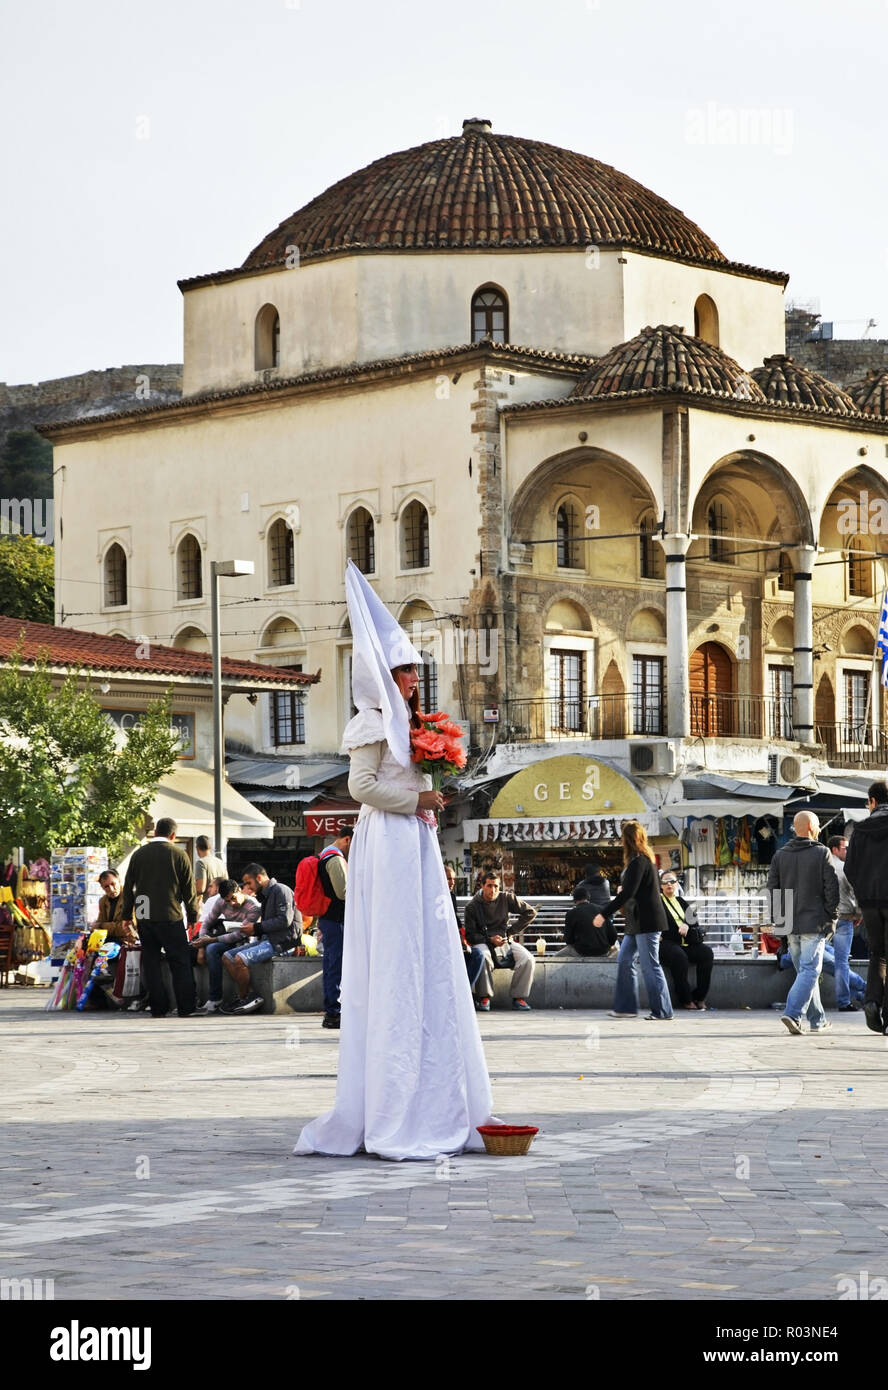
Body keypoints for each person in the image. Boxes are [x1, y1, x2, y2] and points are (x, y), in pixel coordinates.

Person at [294, 559, 493, 1159]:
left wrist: (430, 795)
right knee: (396, 947)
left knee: (426, 944)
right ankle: (391, 1103)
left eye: (413, 669)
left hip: (417, 836)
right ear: (385, 673)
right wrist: (416, 799)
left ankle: (436, 1090)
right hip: (391, 834)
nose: (412, 678)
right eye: (404, 669)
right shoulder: (373, 722)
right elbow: (359, 788)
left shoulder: (411, 719)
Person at [766, 810, 838, 1035]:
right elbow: (832, 890)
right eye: (817, 826)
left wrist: (778, 923)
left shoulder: (780, 855)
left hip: (789, 924)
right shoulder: (822, 853)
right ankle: (793, 1013)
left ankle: (817, 1020)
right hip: (813, 922)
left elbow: (772, 891)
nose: (818, 830)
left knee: (806, 973)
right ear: (811, 828)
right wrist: (831, 918)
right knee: (809, 971)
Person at [593, 820, 673, 1020]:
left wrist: (604, 914)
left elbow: (628, 893)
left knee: (650, 966)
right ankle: (626, 1007)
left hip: (646, 922)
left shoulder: (639, 862)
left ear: (628, 840)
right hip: (637, 922)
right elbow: (635, 891)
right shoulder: (645, 861)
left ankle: (663, 1011)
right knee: (624, 959)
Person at [120, 817, 199, 1018]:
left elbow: (128, 887)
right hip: (170, 914)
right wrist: (192, 916)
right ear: (173, 835)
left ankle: (158, 1007)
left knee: (151, 961)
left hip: (144, 913)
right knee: (179, 961)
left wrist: (126, 915)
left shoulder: (139, 854)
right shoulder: (179, 855)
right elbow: (189, 890)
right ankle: (185, 1007)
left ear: (155, 832)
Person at [221, 864, 298, 1015]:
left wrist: (256, 928)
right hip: (268, 940)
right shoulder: (266, 894)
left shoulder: (281, 890)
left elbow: (285, 920)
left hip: (283, 942)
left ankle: (245, 998)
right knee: (227, 957)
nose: (247, 887)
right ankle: (249, 995)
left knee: (239, 959)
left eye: (249, 883)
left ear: (259, 878)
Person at [844, 781, 888, 1034]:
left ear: (872, 801)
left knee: (877, 955)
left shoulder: (860, 831)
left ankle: (872, 1001)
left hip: (869, 903)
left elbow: (849, 868)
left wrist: (863, 891)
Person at [463, 873, 538, 1011]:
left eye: (496, 886)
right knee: (482, 956)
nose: (493, 890)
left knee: (527, 959)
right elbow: (470, 935)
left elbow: (530, 912)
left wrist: (510, 932)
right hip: (483, 941)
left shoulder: (507, 898)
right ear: (482, 886)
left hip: (505, 940)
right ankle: (484, 997)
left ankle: (519, 997)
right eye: (489, 886)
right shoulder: (472, 906)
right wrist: (489, 939)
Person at [191, 879, 261, 1013]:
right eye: (228, 901)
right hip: (226, 939)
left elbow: (240, 935)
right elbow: (206, 923)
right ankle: (206, 998)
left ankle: (219, 997)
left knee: (212, 948)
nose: (232, 903)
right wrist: (201, 948)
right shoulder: (221, 902)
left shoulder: (253, 907)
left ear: (239, 891)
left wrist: (210, 941)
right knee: (197, 950)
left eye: (233, 898)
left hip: (244, 942)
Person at [657, 871, 714, 1010]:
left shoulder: (681, 901)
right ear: (661, 886)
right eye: (665, 882)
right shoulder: (657, 901)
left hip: (686, 943)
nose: (669, 884)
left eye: (672, 881)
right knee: (679, 957)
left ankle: (699, 997)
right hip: (667, 943)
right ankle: (686, 999)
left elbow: (694, 920)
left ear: (677, 883)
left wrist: (686, 924)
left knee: (706, 953)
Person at [316, 828, 354, 1030]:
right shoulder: (335, 859)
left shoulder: (324, 854)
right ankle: (334, 1012)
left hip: (328, 919)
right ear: (347, 839)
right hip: (336, 920)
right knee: (336, 966)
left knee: (332, 964)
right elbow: (343, 893)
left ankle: (332, 1010)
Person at [773, 935, 866, 1006]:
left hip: (818, 939)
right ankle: (866, 989)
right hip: (807, 939)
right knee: (838, 965)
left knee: (839, 963)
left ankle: (862, 994)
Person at [827, 834, 862, 1012]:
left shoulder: (821, 866)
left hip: (823, 920)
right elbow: (855, 892)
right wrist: (858, 914)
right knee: (841, 962)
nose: (847, 851)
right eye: (844, 848)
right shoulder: (845, 868)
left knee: (812, 959)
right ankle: (843, 1001)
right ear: (835, 849)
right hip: (844, 918)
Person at [445, 864, 485, 990]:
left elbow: (456, 923)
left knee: (478, 955)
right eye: (448, 879)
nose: (452, 882)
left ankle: (464, 992)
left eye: (453, 879)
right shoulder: (431, 897)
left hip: (455, 943)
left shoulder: (451, 896)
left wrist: (463, 941)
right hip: (442, 947)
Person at [556, 884, 618, 957]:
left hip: (582, 951)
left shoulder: (571, 913)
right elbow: (613, 935)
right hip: (603, 951)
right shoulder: (602, 910)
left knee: (556, 958)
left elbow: (568, 940)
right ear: (588, 898)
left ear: (574, 900)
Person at [194, 835, 227, 913]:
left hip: (207, 905)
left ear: (197, 848)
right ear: (210, 847)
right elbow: (227, 883)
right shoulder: (221, 862)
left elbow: (200, 888)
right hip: (222, 904)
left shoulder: (201, 862)